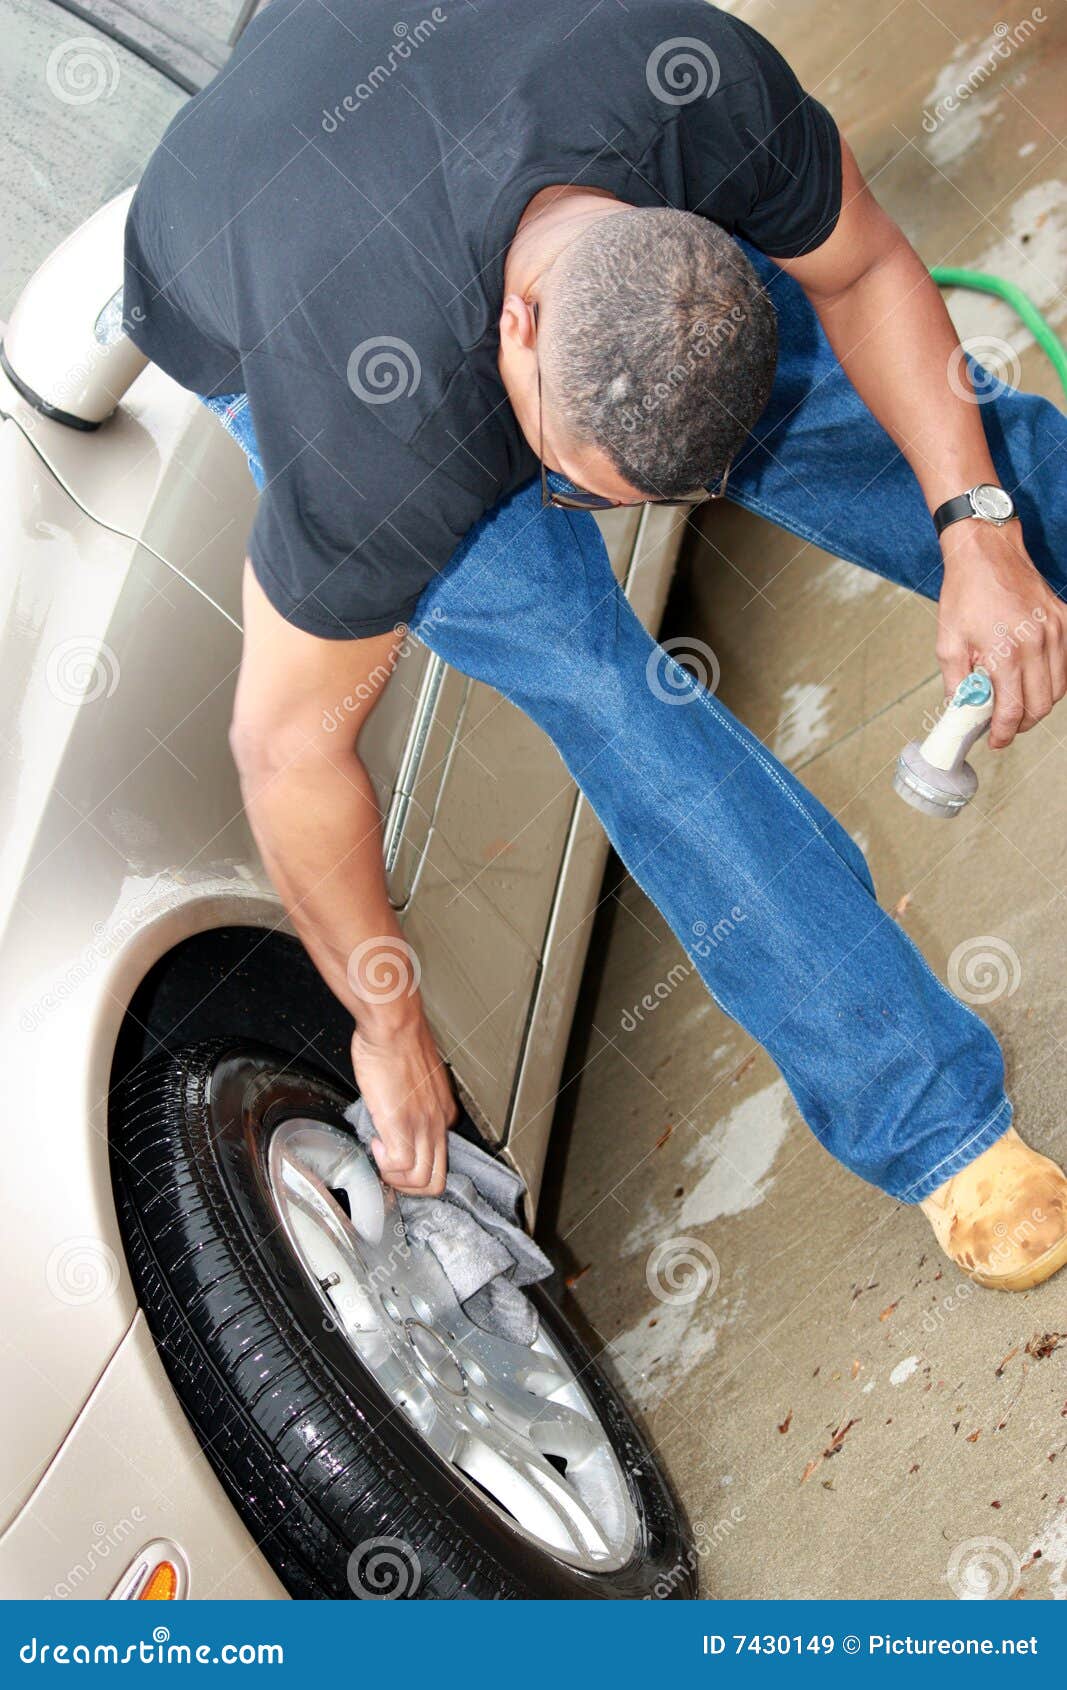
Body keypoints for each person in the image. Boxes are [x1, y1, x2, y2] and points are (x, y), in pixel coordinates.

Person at [124, 0, 1067, 1290]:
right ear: (515, 338)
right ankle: (938, 1127)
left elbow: (861, 271)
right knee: (616, 700)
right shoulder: (371, 442)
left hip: (495, 137)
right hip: (267, 260)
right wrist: (385, 1021)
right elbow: (285, 751)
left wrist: (981, 532)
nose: (605, 518)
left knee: (852, 421)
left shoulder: (694, 90)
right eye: (584, 483)